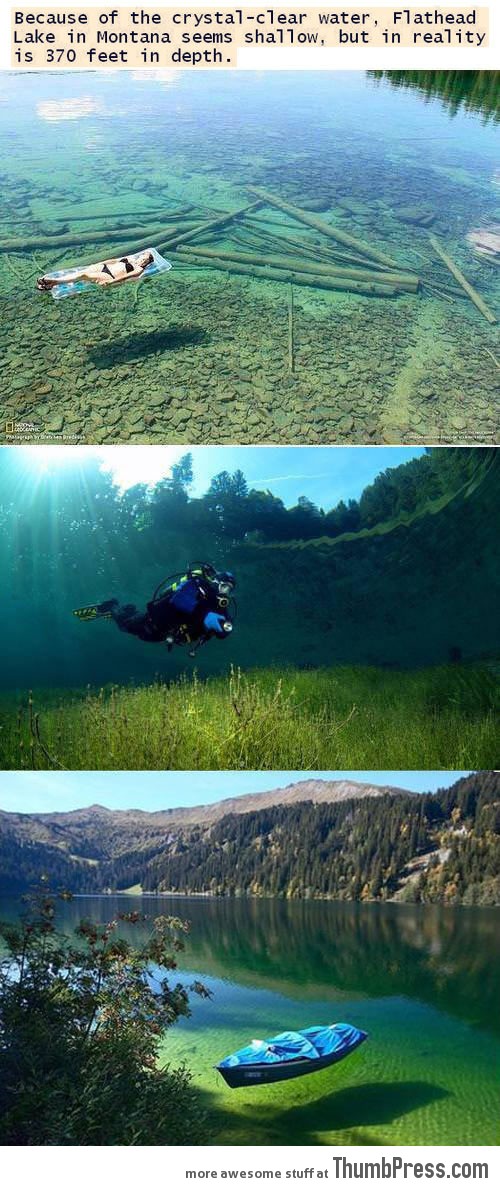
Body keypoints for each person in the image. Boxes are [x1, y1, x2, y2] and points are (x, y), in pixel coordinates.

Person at [74, 565, 236, 656]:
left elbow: (223, 631)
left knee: (138, 627)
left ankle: (128, 609)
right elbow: (178, 600)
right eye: (224, 586)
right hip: (153, 623)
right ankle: (111, 606)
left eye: (229, 589)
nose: (226, 592)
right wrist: (204, 614)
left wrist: (225, 626)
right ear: (216, 582)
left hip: (164, 634)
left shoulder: (219, 605)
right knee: (125, 626)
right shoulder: (197, 584)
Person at [37, 249, 155, 292]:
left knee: (83, 275)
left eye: (144, 259)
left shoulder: (139, 269)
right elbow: (114, 260)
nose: (141, 258)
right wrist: (101, 263)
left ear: (146, 262)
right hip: (104, 267)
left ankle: (53, 282)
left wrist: (111, 282)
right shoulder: (131, 259)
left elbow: (126, 277)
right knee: (80, 273)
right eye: (142, 256)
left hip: (111, 276)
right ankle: (51, 284)